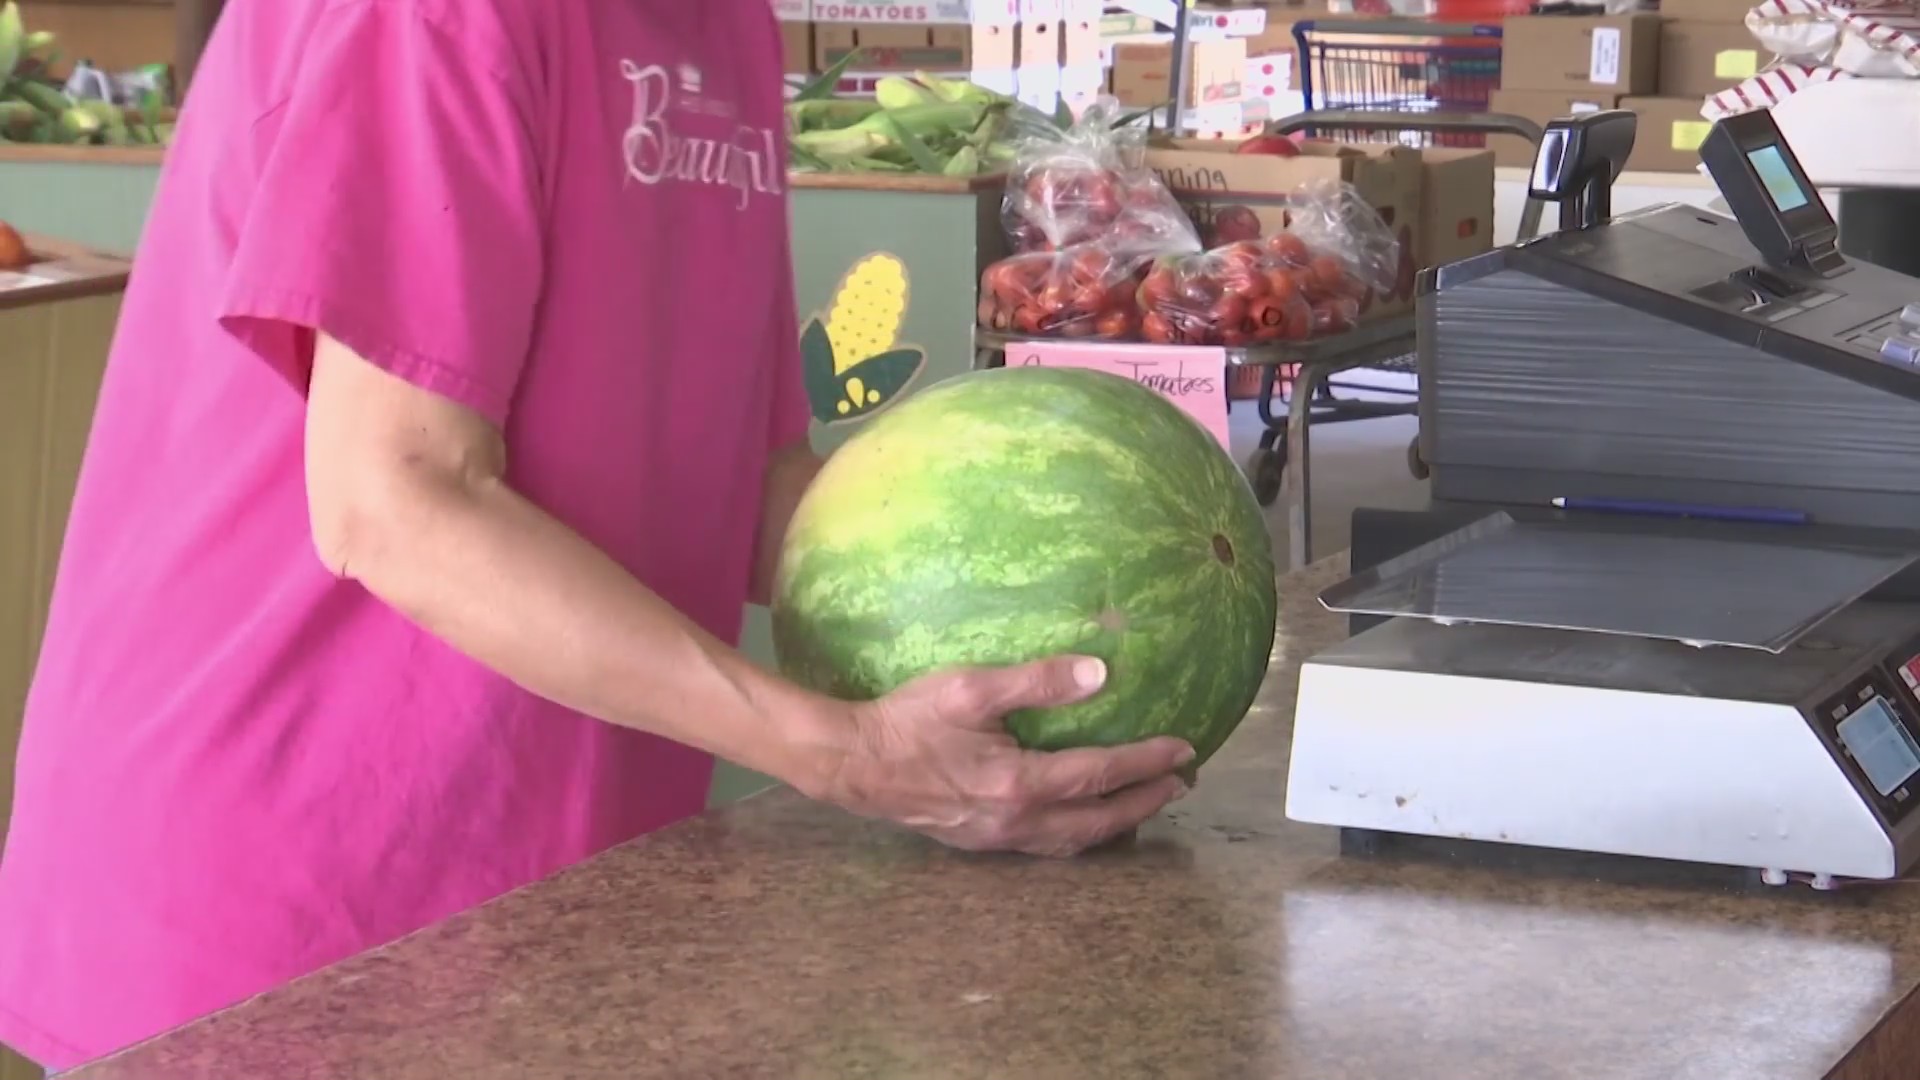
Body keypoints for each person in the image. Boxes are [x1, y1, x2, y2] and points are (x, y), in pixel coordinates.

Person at [0, 0, 1197, 1071]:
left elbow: (752, 486)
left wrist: (1062, 635)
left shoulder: (724, 26)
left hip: (533, 899)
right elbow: (395, 501)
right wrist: (851, 754)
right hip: (282, 904)